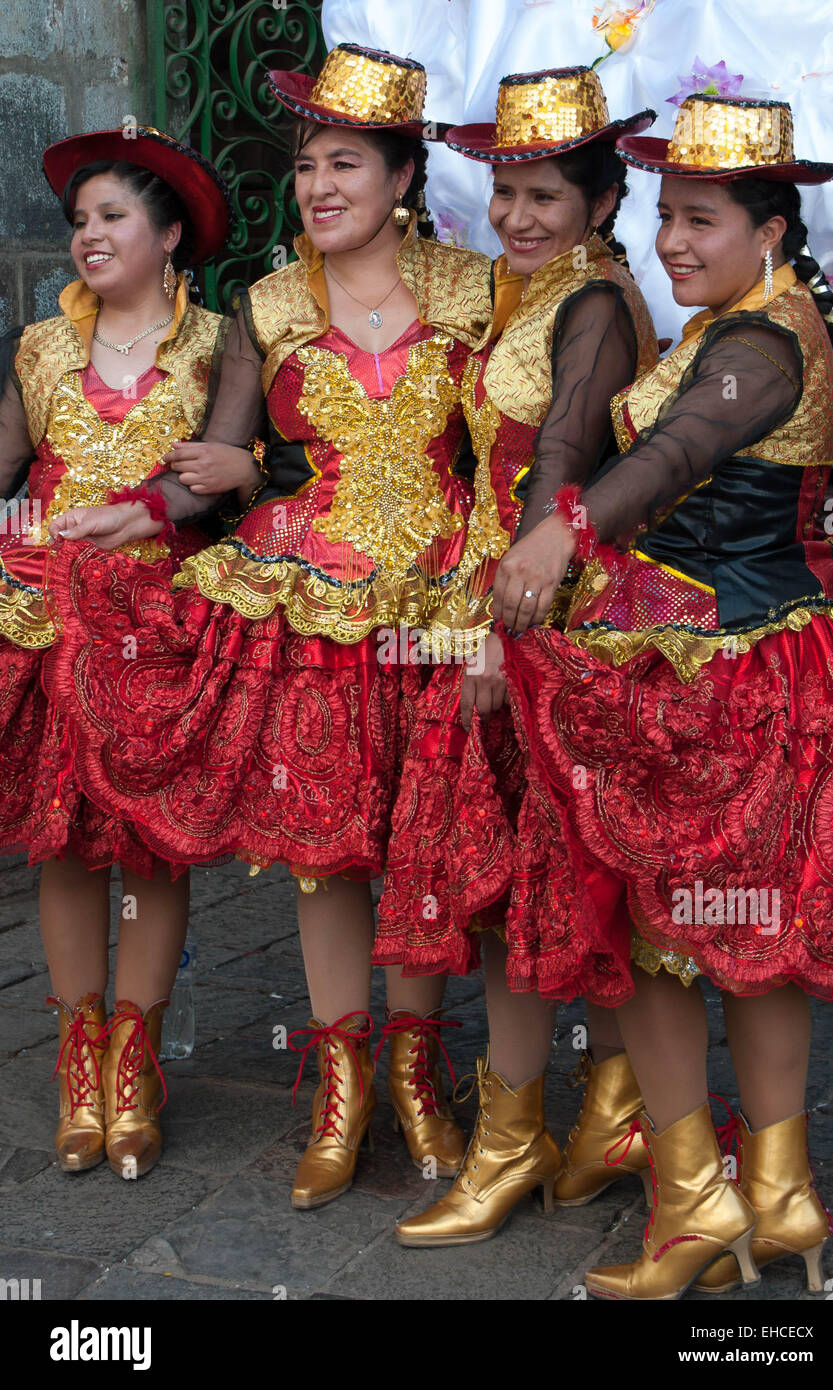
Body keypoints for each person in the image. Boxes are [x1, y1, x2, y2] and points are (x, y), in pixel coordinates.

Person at [44, 45, 494, 1208]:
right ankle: (340, 1091)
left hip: (443, 599)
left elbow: (513, 451)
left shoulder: (473, 294)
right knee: (323, 851)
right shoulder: (267, 303)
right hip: (314, 604)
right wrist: (142, 508)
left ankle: (417, 1075)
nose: (316, 187)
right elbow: (224, 463)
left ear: (402, 177)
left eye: (343, 163)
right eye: (303, 169)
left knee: (421, 842)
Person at [497, 93, 833, 1298]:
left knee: (653, 933)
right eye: (663, 218)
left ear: (769, 228)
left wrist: (562, 534)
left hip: (725, 670)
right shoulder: (752, 324)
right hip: (750, 658)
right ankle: (778, 1190)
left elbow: (671, 459)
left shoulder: (757, 345)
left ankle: (695, 1203)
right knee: (750, 935)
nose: (671, 243)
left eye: (700, 220)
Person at [370, 67, 660, 1244]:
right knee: (522, 889)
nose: (519, 214)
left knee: (529, 886)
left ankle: (520, 1139)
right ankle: (579, 1116)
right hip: (501, 598)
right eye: (505, 192)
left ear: (597, 204)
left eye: (544, 194)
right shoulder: (530, 288)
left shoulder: (588, 305)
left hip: (548, 616)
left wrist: (504, 626)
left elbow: (560, 472)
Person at [0, 127, 234, 1178]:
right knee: (63, 838)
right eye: (81, 221)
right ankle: (78, 1058)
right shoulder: (43, 348)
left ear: (170, 234)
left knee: (148, 843)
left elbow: (247, 479)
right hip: (50, 619)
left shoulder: (221, 344)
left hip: (158, 628)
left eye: (113, 217)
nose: (90, 235)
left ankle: (135, 1058)